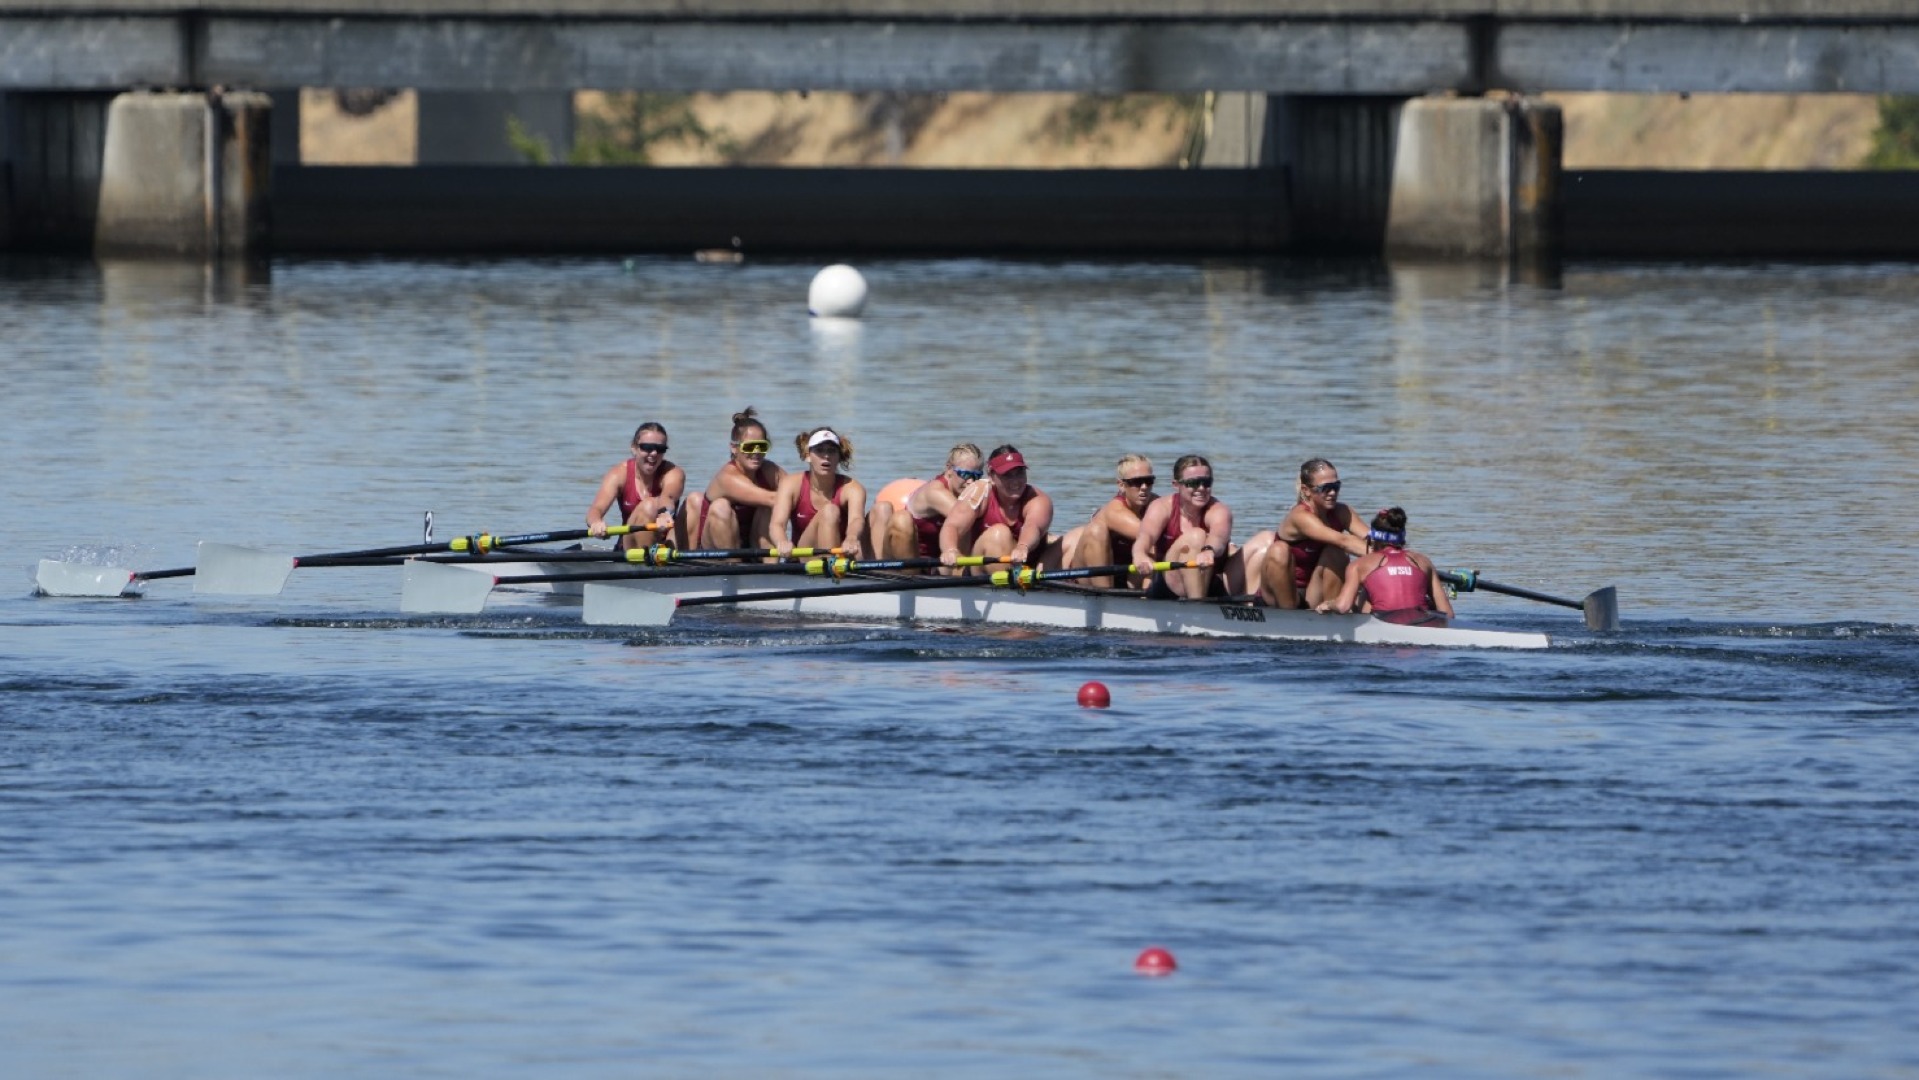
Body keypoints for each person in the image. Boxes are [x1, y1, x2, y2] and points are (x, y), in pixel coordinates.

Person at [1244, 458, 1370, 609]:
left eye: (1336, 486)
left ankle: (1333, 613)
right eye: (1326, 488)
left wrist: (1396, 555)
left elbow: (1373, 540)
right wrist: (1385, 556)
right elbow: (1344, 540)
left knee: (1335, 552)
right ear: (1306, 490)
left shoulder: (1342, 511)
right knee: (1279, 550)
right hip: (1279, 593)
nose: (1332, 493)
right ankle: (1289, 616)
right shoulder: (1300, 516)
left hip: (1313, 591)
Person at [1318, 507, 1454, 624]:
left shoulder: (1359, 565)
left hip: (1384, 629)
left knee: (1361, 595)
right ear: (1402, 538)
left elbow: (1343, 606)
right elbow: (1448, 615)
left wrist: (1329, 604)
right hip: (1423, 624)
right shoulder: (1424, 562)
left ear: (1372, 540)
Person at [1130, 454, 1236, 599]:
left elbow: (1219, 537)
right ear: (1176, 484)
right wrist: (1140, 555)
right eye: (1193, 483)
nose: (1201, 488)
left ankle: (1255, 611)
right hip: (1168, 584)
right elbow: (1145, 536)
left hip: (1210, 580)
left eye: (1206, 482)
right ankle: (1197, 609)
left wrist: (1208, 550)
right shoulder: (1161, 507)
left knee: (1265, 540)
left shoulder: (1219, 510)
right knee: (1196, 536)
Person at [682, 407, 786, 552]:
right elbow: (775, 499)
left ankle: (769, 566)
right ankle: (735, 566)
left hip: (751, 545)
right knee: (721, 507)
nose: (756, 452)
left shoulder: (769, 470)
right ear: (734, 448)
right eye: (749, 447)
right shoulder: (727, 477)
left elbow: (798, 490)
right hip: (713, 550)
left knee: (768, 508)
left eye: (761, 446)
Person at [939, 444, 1057, 571]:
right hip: (978, 569)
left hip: (1026, 570)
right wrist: (950, 550)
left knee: (1076, 535)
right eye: (1007, 475)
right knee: (999, 533)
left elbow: (1032, 527)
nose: (1015, 481)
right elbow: (952, 526)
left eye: (1020, 473)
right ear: (991, 475)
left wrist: (1022, 546)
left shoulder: (1037, 499)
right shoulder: (979, 492)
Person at [876, 443, 989, 565]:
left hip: (941, 562)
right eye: (965, 474)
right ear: (949, 469)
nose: (971, 482)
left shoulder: (968, 489)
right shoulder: (935, 492)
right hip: (916, 562)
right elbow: (966, 516)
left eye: (976, 476)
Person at [769, 427, 868, 559]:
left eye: (832, 451)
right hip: (804, 554)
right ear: (808, 456)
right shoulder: (790, 484)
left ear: (839, 457)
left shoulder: (853, 488)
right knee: (830, 511)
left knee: (881, 509)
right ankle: (831, 571)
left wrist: (851, 537)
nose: (826, 456)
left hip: (841, 553)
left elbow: (856, 519)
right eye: (819, 450)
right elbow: (777, 524)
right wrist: (782, 541)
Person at [1060, 453, 1157, 588]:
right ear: (1121, 485)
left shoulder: (1156, 504)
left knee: (1152, 552)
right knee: (1097, 530)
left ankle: (1147, 598)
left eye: (1149, 481)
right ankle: (1106, 597)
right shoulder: (1114, 510)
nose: (1144, 487)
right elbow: (1149, 536)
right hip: (1089, 576)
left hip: (1126, 574)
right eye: (1136, 482)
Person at [586, 421, 684, 549]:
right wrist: (596, 522)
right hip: (630, 546)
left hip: (667, 544)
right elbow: (596, 509)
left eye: (660, 449)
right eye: (647, 447)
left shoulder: (673, 472)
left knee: (696, 500)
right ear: (634, 448)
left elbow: (669, 497)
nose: (654, 453)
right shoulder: (619, 474)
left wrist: (664, 513)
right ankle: (645, 564)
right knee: (648, 506)